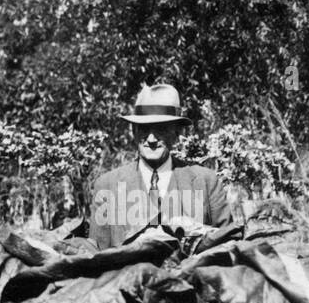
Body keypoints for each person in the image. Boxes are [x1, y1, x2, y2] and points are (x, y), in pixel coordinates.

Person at [89, 83, 232, 248]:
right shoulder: (107, 186)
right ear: (133, 132)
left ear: (177, 134)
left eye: (161, 129)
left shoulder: (206, 182)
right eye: (144, 129)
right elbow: (96, 257)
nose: (151, 139)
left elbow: (228, 249)